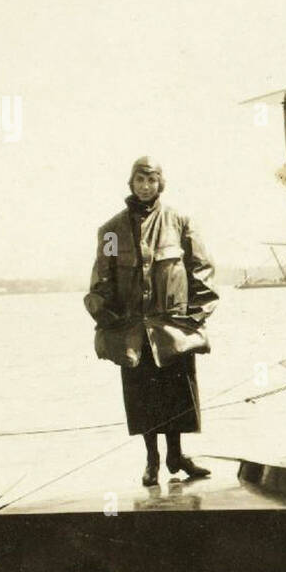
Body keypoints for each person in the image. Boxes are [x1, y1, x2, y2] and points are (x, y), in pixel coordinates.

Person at [85, 157, 218, 487]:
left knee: (176, 394)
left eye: (152, 180)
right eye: (140, 180)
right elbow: (102, 278)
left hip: (172, 330)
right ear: (131, 183)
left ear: (161, 184)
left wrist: (194, 317)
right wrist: (108, 317)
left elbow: (201, 270)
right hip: (132, 331)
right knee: (141, 396)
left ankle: (177, 455)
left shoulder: (179, 222)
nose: (146, 186)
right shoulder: (112, 231)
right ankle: (152, 460)